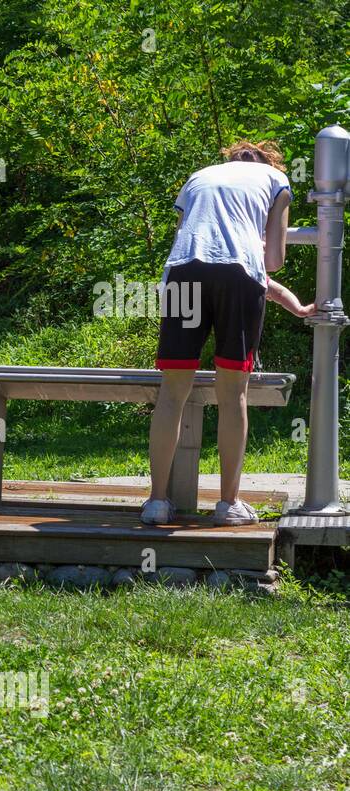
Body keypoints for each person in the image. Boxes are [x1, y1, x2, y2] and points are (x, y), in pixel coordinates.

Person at [143, 140, 295, 526]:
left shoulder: (198, 178)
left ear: (231, 160)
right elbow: (273, 262)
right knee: (233, 396)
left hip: (182, 273)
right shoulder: (277, 180)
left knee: (172, 395)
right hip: (239, 276)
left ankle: (156, 503)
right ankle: (228, 505)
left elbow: (190, 239)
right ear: (267, 162)